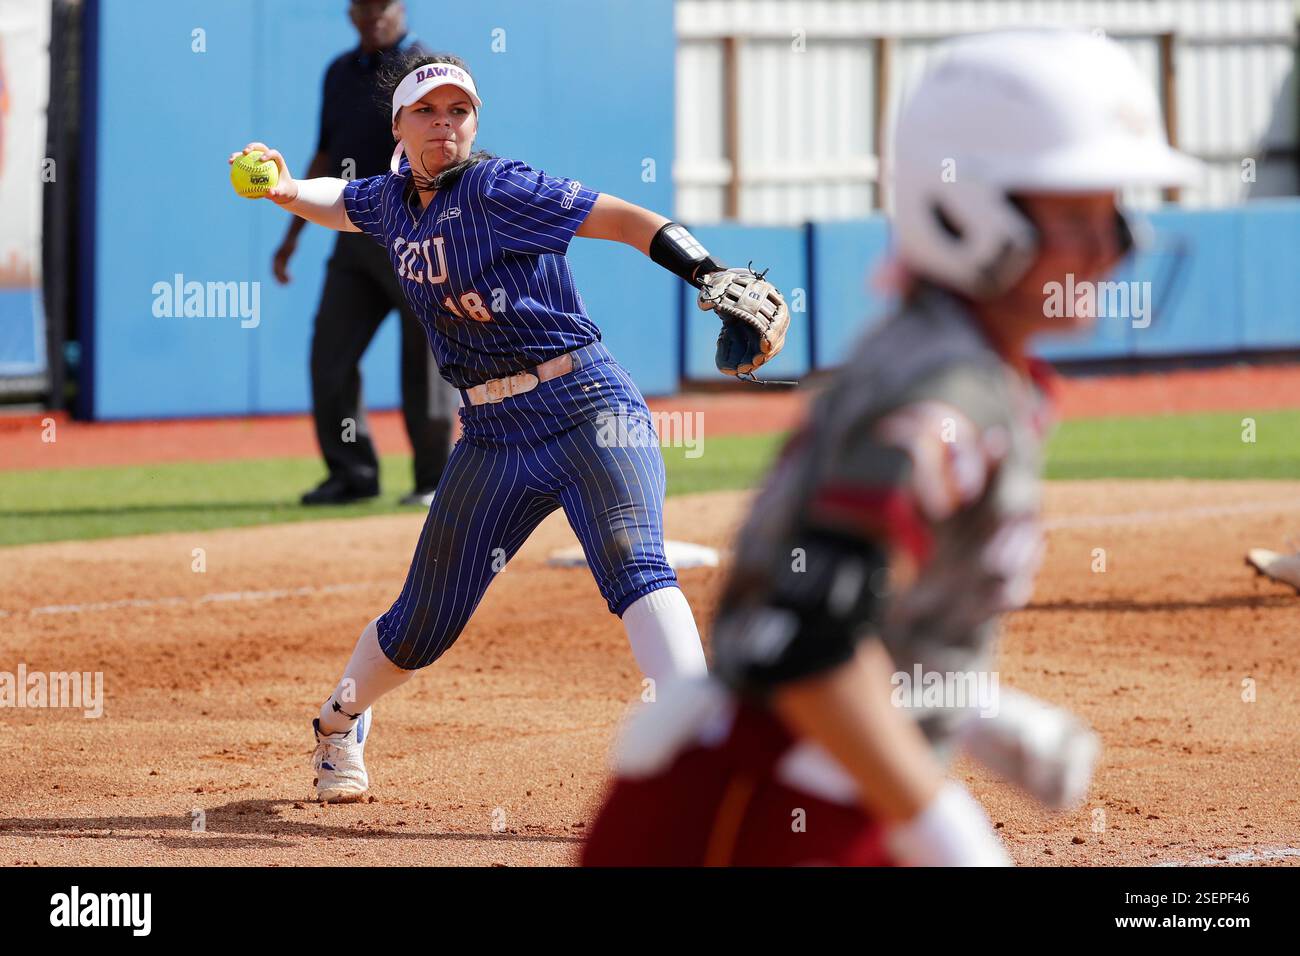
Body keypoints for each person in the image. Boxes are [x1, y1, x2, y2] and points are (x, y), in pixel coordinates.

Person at [582, 29, 1198, 867]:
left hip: (779, 790)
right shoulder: (949, 392)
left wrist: (962, 707)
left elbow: (837, 611)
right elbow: (796, 641)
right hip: (764, 814)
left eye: (1112, 212)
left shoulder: (952, 360)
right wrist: (942, 825)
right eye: (1075, 216)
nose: (1109, 247)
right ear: (965, 210)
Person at [229, 51, 790, 802]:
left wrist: (708, 272)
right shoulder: (393, 202)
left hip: (588, 405)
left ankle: (704, 744)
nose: (445, 124)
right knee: (423, 625)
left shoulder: (499, 188)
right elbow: (342, 201)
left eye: (459, 111)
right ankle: (339, 722)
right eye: (427, 111)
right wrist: (288, 187)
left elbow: (625, 219)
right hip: (493, 435)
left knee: (635, 560)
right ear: (398, 126)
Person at [276, 0, 458, 507]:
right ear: (350, 13)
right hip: (352, 233)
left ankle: (434, 480)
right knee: (329, 356)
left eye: (384, 4)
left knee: (423, 361)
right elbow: (325, 154)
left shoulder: (424, 68)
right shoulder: (339, 72)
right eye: (364, 5)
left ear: (402, 9)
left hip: (413, 232)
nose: (374, 13)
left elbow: (446, 148)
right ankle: (353, 473)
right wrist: (293, 235)